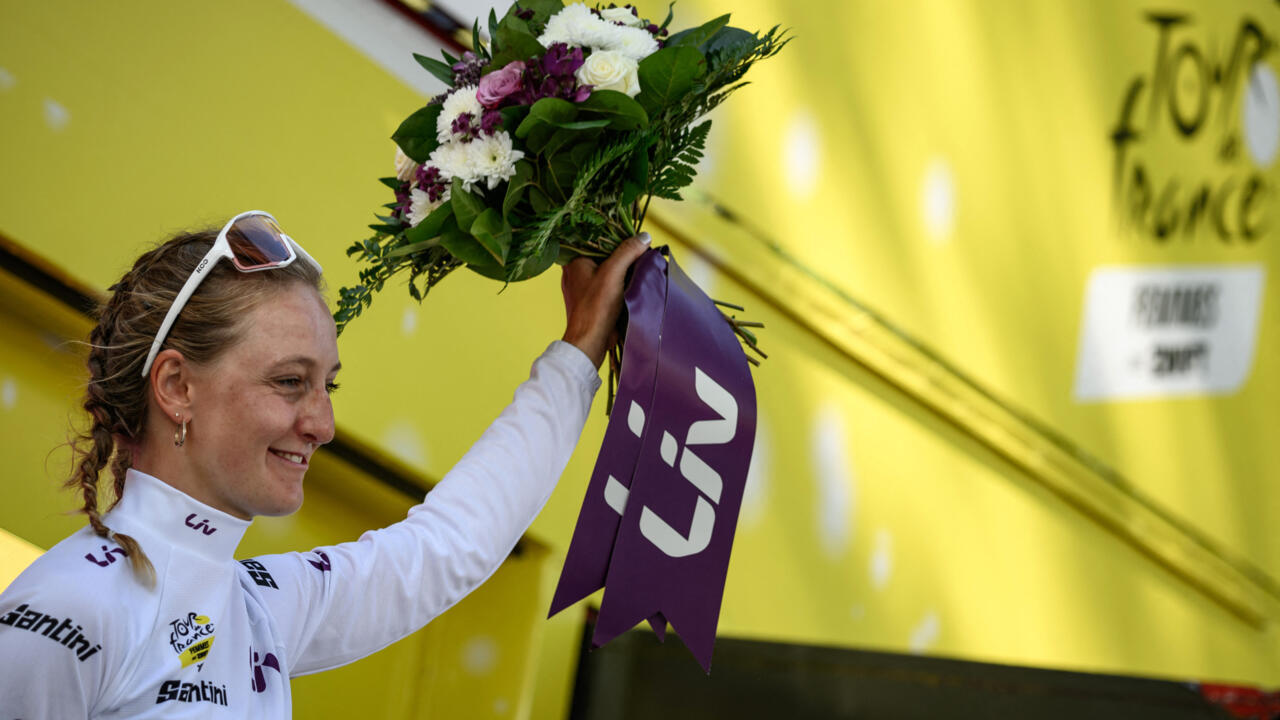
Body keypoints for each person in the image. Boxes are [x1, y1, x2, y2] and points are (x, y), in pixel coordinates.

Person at [0, 210, 651, 717]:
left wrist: (580, 351)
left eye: (327, 386)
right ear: (176, 387)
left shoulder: (257, 606)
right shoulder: (69, 609)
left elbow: (450, 546)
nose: (323, 424)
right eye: (289, 382)